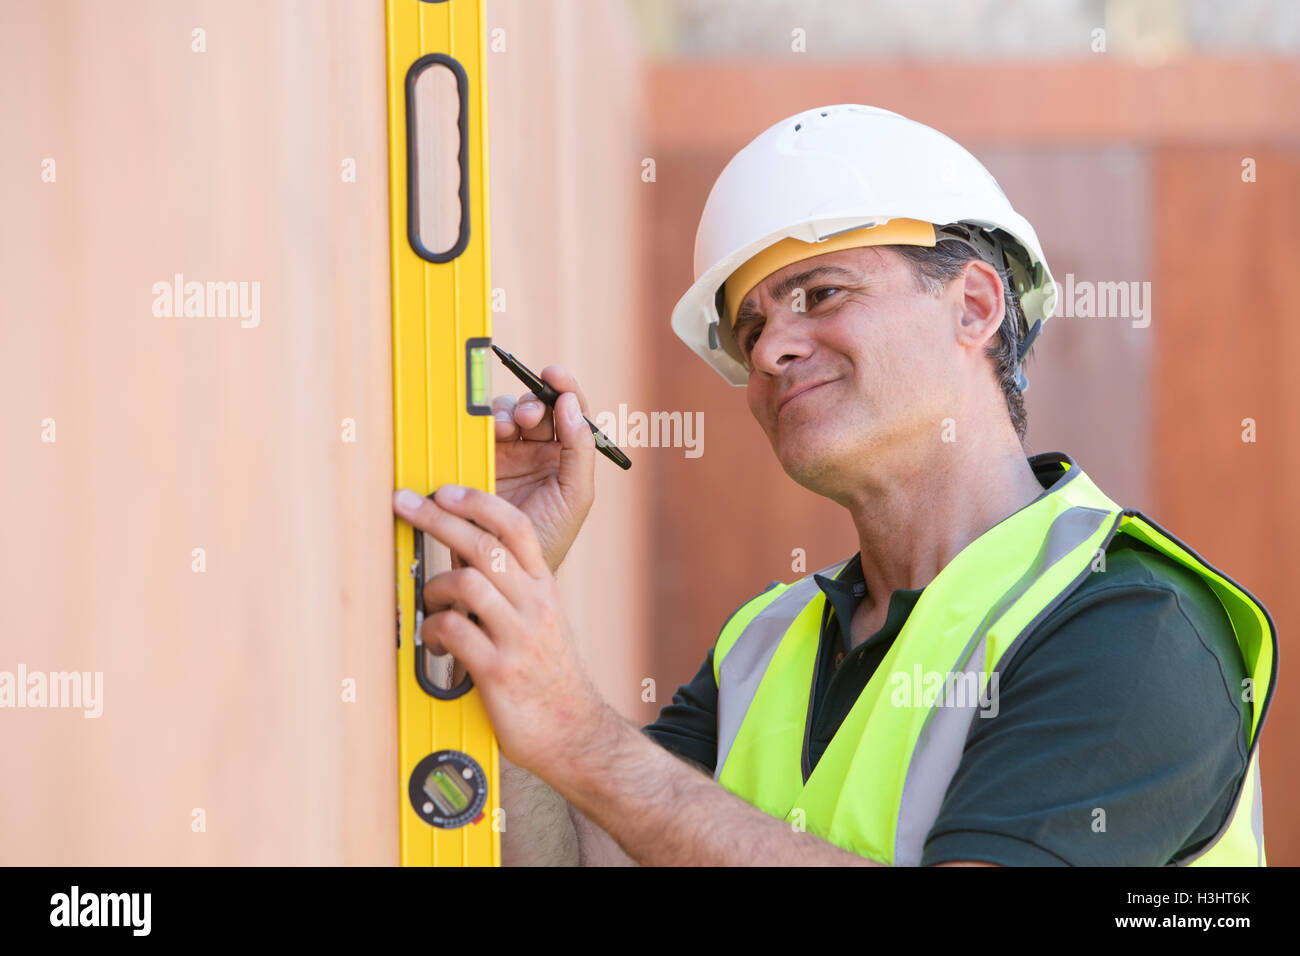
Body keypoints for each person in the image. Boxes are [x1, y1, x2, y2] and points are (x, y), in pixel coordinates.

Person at [391, 104, 1276, 866]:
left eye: (817, 293)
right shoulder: (764, 647)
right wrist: (505, 579)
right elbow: (598, 856)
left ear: (973, 306)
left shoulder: (1132, 627)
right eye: (751, 326)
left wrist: (582, 735)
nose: (770, 349)